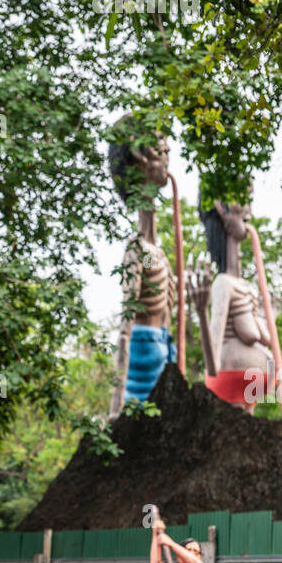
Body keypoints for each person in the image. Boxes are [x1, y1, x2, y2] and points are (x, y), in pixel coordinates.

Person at [107, 119, 181, 416]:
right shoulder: (137, 251)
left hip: (164, 364)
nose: (168, 150)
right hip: (140, 378)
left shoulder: (154, 253)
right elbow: (124, 329)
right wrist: (115, 408)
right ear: (140, 153)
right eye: (160, 144)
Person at [188, 200, 274, 413]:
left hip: (255, 388)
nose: (250, 214)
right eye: (243, 202)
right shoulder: (223, 284)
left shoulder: (250, 288)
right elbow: (212, 363)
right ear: (221, 208)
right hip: (230, 385)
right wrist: (201, 311)